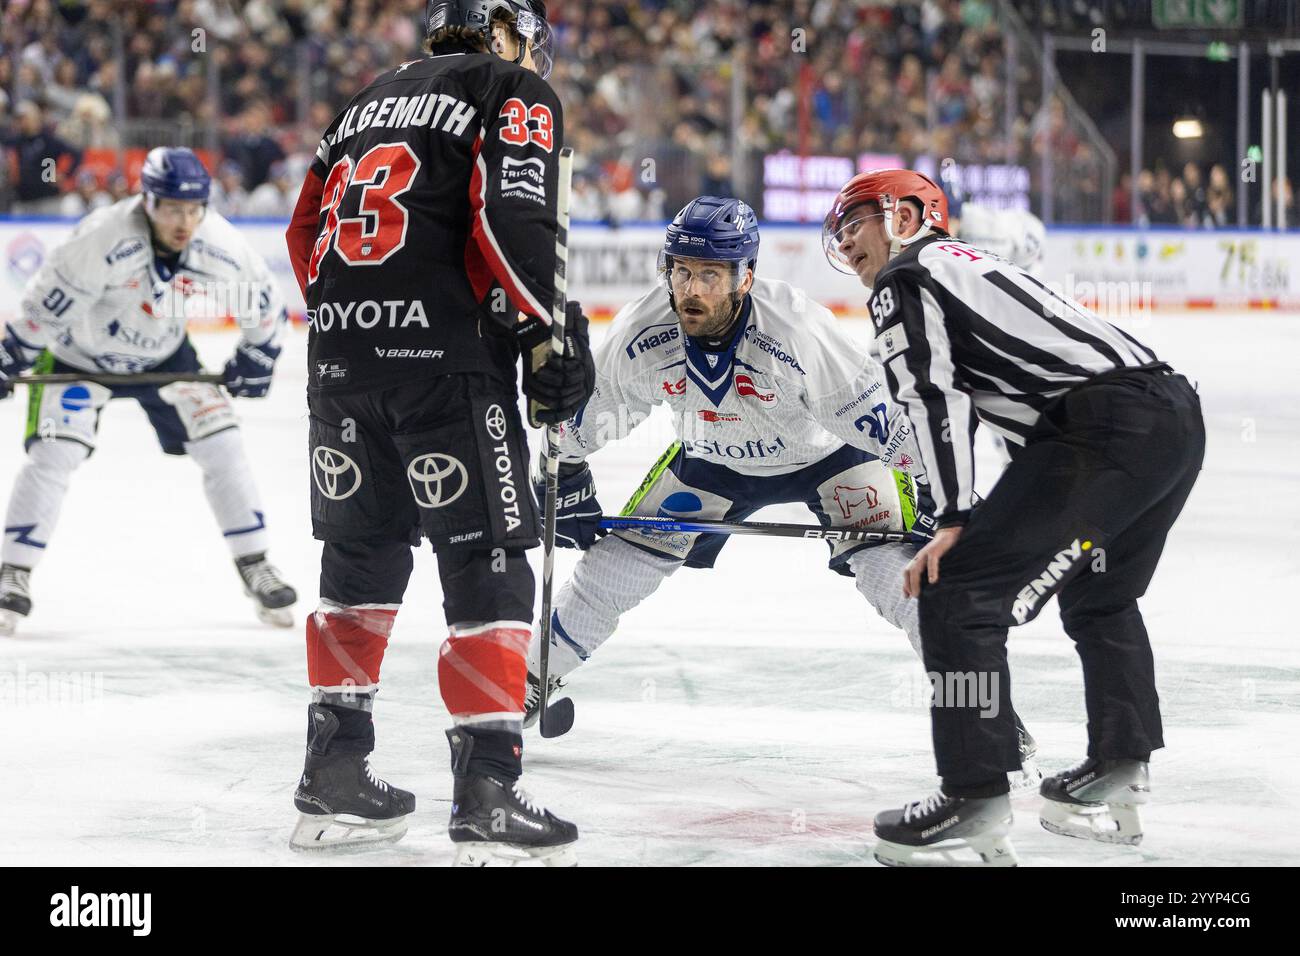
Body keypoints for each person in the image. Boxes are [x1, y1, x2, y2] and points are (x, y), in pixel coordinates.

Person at [525, 195, 1041, 794]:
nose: (691, 289)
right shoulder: (643, 334)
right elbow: (590, 418)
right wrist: (562, 473)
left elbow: (888, 426)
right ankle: (531, 680)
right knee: (614, 566)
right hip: (709, 459)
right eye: (681, 271)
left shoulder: (798, 331)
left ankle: (987, 715)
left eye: (711, 275)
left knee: (901, 581)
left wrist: (939, 498)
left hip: (829, 458)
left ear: (745, 276)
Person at [283, 0, 593, 865]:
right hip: (446, 363)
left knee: (362, 558)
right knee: (486, 556)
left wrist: (356, 319)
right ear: (512, 30)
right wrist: (541, 330)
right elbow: (511, 217)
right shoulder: (510, 86)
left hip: (342, 365)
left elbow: (307, 233)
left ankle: (334, 774)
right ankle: (488, 791)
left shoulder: (362, 104)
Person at [824, 168, 1205, 866]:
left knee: (956, 591)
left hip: (1107, 427)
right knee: (1101, 593)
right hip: (1172, 414)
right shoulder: (976, 266)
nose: (847, 245)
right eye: (839, 234)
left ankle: (973, 795)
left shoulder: (907, 278)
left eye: (857, 224)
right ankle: (1120, 760)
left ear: (908, 216)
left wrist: (953, 518)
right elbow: (1017, 426)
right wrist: (985, 513)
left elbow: (935, 400)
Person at [0, 147, 297, 637]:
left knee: (221, 442)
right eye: (173, 209)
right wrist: (15, 352)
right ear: (148, 202)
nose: (185, 221)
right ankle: (15, 570)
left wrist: (258, 356)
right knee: (55, 453)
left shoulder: (219, 243)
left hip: (165, 356)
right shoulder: (102, 237)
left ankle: (256, 563)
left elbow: (263, 306)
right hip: (78, 357)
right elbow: (46, 302)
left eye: (194, 208)